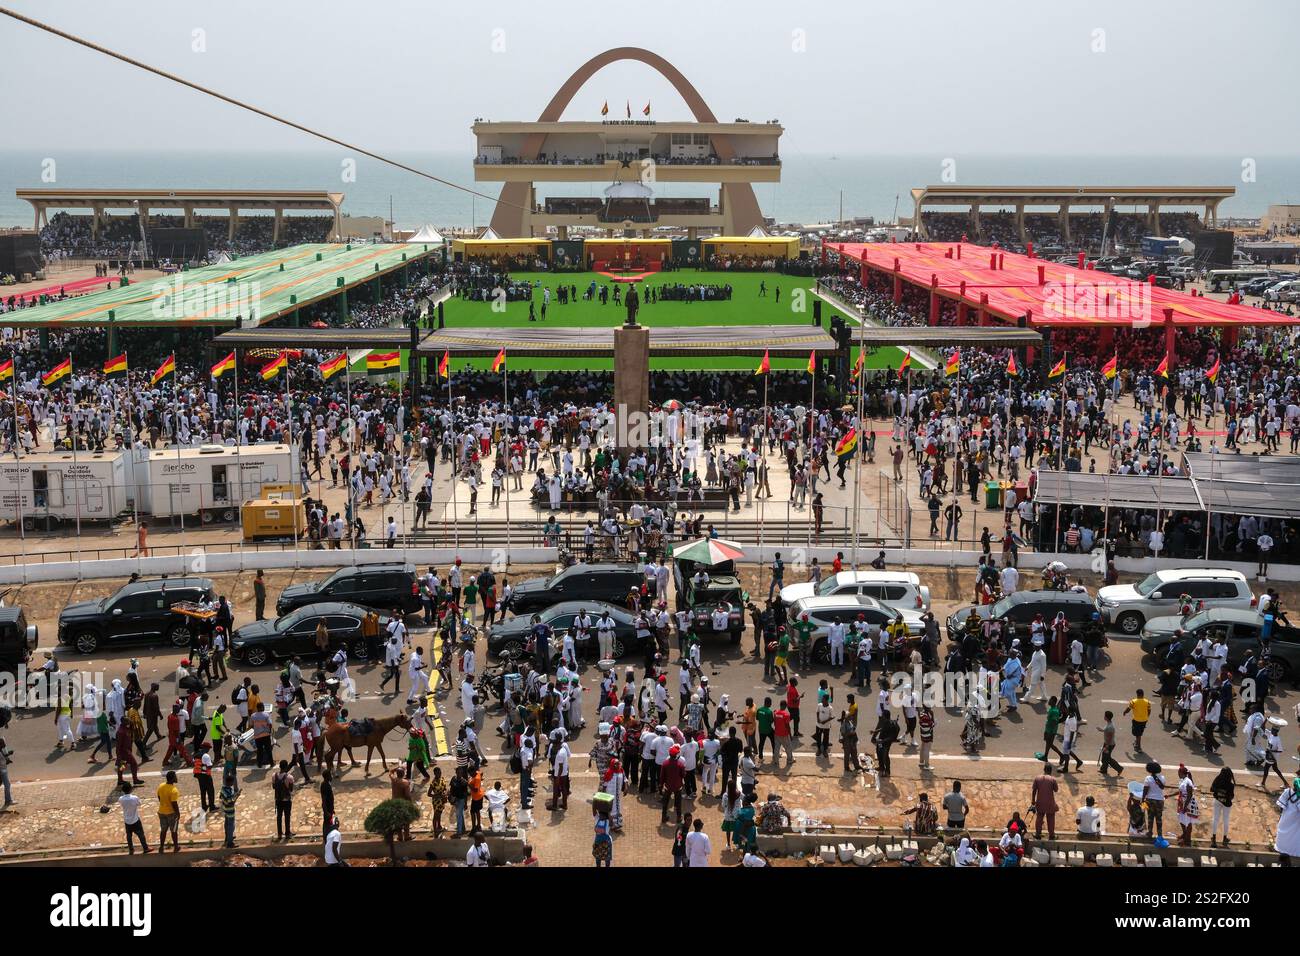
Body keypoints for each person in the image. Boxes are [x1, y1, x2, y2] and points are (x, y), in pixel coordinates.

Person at [117, 782, 149, 854]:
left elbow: (121, 803)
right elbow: (139, 804)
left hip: (127, 820)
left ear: (123, 790)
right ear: (131, 789)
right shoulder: (134, 798)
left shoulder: (121, 799)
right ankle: (145, 848)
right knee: (141, 834)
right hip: (135, 820)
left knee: (129, 836)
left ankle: (131, 849)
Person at [1030, 765, 1059, 840]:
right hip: (1050, 803)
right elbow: (1056, 790)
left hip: (1040, 802)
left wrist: (1033, 800)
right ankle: (1051, 835)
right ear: (1051, 770)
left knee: (1039, 818)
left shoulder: (1037, 778)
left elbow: (1034, 790)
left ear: (1044, 769)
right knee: (1051, 819)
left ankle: (1038, 833)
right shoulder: (1053, 779)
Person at [1209, 766, 1234, 848]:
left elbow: (1211, 789)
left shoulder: (1218, 779)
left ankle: (1214, 839)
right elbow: (1231, 796)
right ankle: (1224, 838)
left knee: (1215, 819)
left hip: (1217, 801)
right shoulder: (1231, 784)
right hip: (1226, 803)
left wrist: (1219, 791)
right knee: (1226, 820)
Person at [157, 770, 181, 853]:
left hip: (161, 812)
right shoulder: (174, 790)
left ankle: (161, 847)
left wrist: (164, 804)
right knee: (173, 830)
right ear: (172, 779)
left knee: (163, 830)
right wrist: (178, 814)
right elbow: (174, 803)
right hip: (171, 813)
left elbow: (159, 797)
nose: (176, 778)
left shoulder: (161, 786)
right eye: (175, 776)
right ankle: (176, 847)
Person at [272, 759, 295, 841]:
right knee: (287, 816)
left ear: (279, 766)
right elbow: (291, 789)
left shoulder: (274, 776)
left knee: (279, 816)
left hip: (278, 799)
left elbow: (273, 787)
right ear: (286, 767)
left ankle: (279, 834)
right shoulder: (290, 777)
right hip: (287, 800)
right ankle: (287, 833)